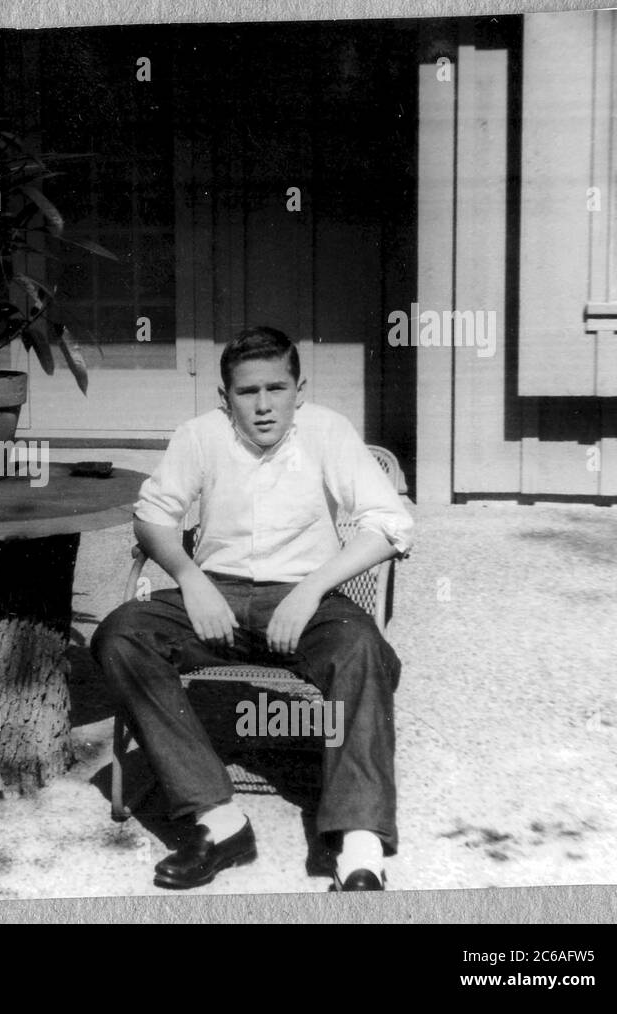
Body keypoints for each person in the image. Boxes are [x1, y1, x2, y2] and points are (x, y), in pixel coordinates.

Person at [91, 326, 413, 892]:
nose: (263, 406)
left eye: (276, 388)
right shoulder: (200, 436)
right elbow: (151, 514)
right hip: (215, 596)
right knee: (121, 635)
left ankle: (358, 849)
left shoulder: (328, 432)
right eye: (247, 392)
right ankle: (218, 820)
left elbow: (390, 527)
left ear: (299, 390)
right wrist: (190, 578)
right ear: (224, 398)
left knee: (362, 649)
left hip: (306, 600)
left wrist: (311, 590)